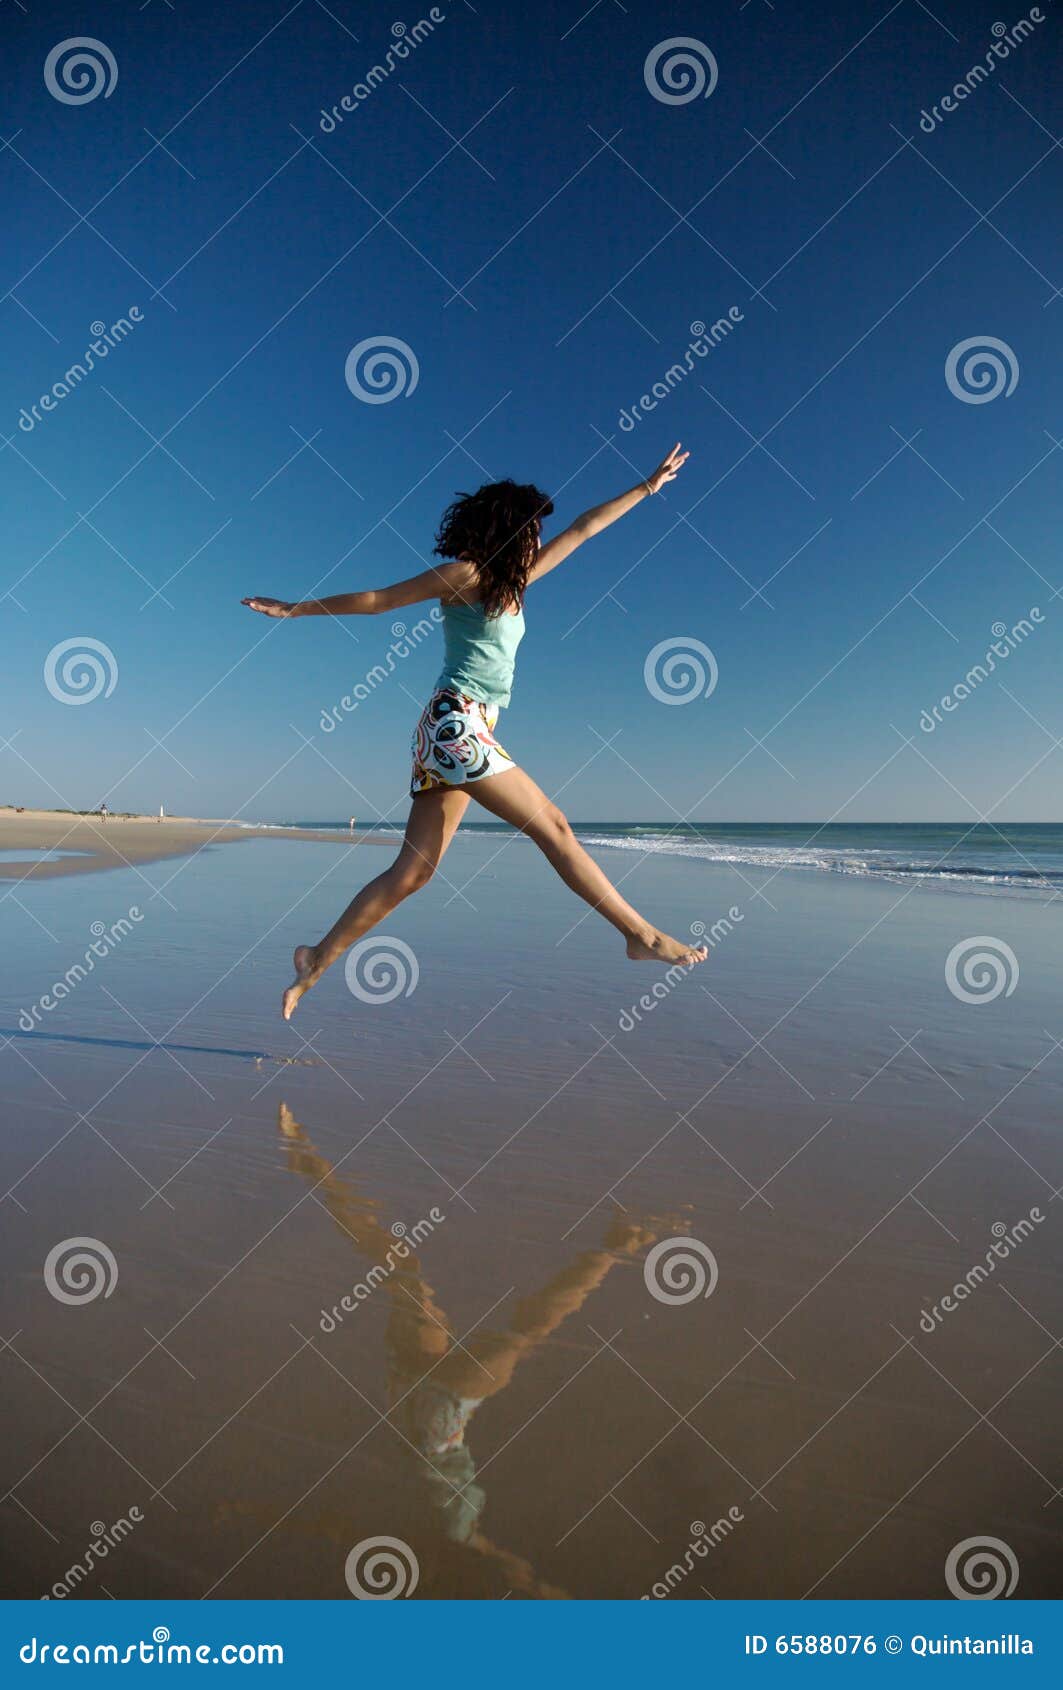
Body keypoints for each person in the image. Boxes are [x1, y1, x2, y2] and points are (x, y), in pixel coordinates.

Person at [243, 444, 708, 1021]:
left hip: (459, 732)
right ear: (509, 529)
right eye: (533, 529)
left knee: (413, 872)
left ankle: (316, 958)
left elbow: (586, 530)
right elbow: (379, 601)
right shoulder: (465, 575)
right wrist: (295, 609)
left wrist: (647, 487)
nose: (540, 539)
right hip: (455, 724)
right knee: (554, 827)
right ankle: (642, 936)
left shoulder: (517, 582)